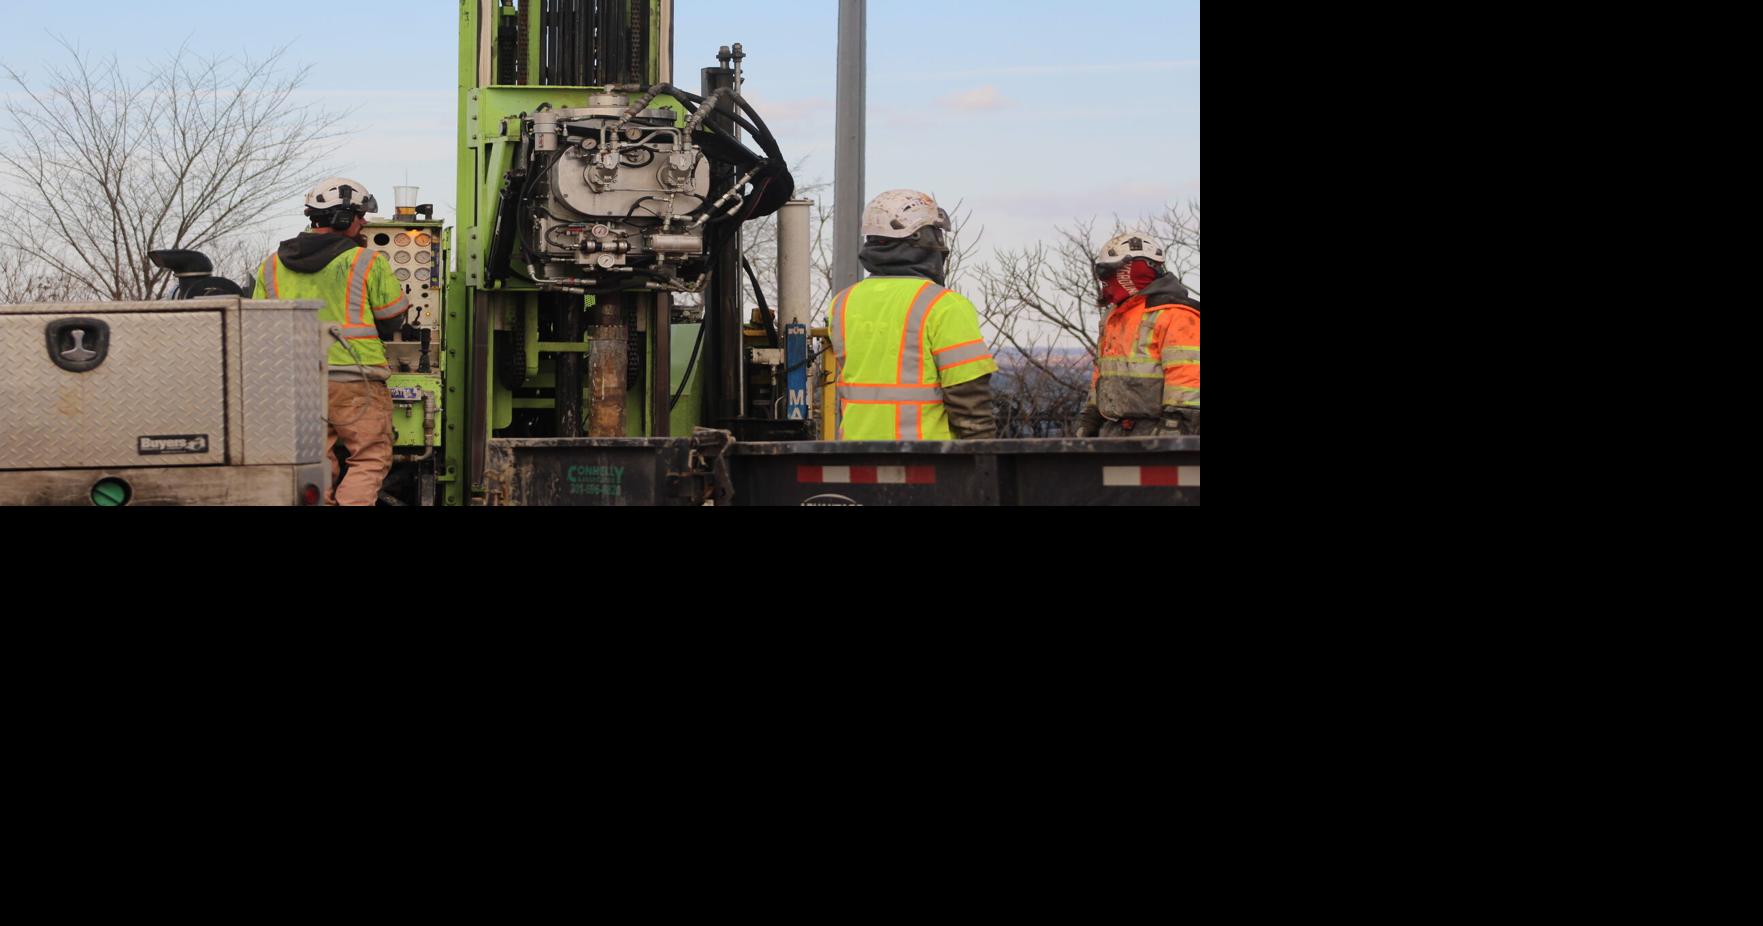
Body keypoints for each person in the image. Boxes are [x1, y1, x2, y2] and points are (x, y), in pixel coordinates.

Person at [253, 177, 409, 505]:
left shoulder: (270, 265)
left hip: (297, 384)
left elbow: (259, 325)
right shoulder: (366, 261)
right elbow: (394, 317)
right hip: (356, 379)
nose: (364, 222)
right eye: (360, 215)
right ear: (342, 218)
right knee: (368, 458)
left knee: (314, 463)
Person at [826, 189, 997, 440]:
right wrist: (986, 465)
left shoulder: (843, 303)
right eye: (936, 234)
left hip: (856, 455)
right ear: (922, 240)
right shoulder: (945, 305)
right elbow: (969, 402)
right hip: (928, 461)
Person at [1075, 231, 1200, 437]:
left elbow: (1188, 376)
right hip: (1115, 430)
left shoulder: (1175, 314)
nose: (1106, 280)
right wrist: (1091, 416)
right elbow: (1104, 372)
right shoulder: (1114, 316)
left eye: (1109, 272)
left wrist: (1177, 425)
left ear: (1137, 268)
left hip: (1161, 431)